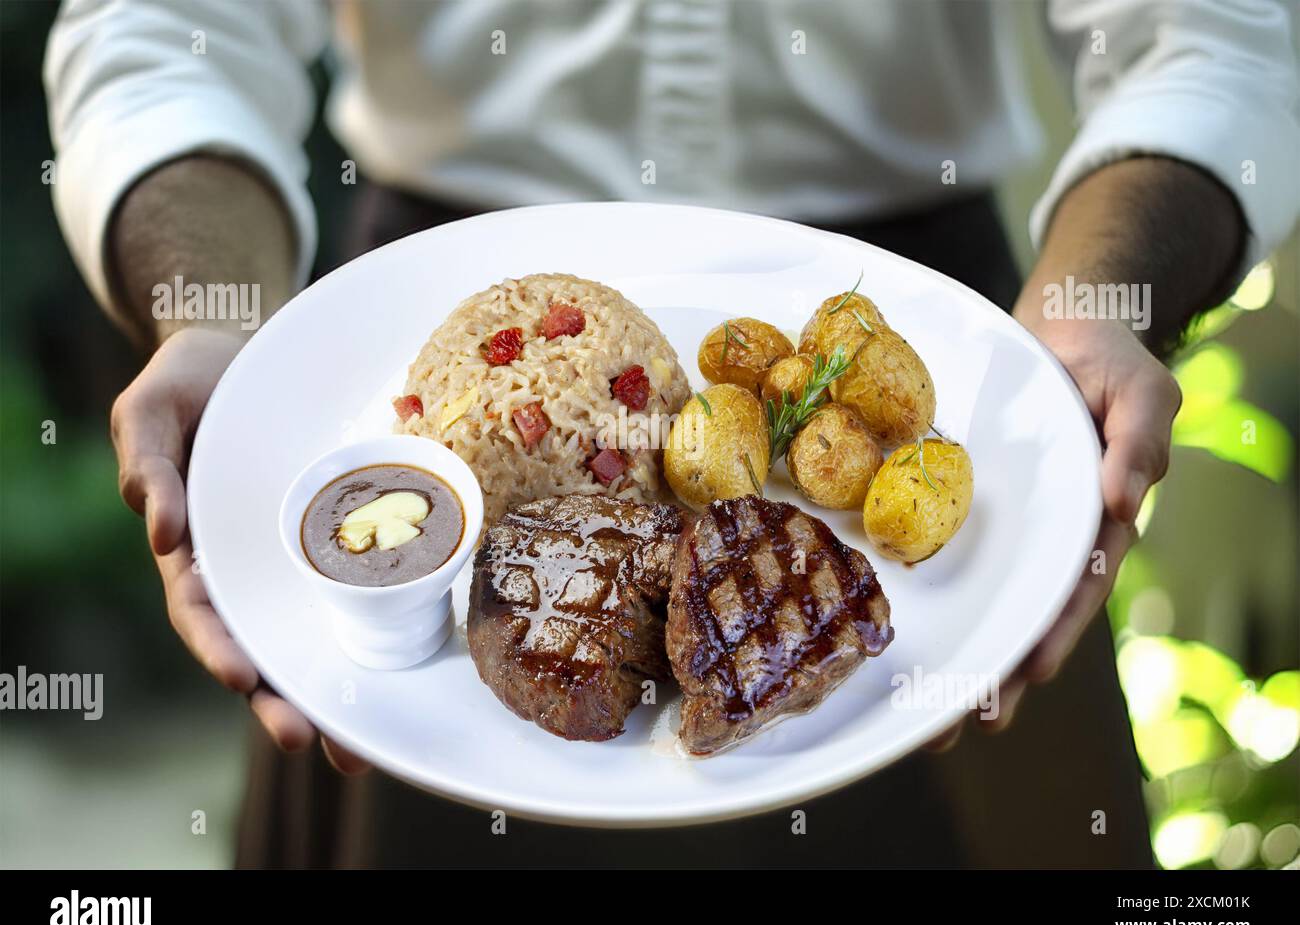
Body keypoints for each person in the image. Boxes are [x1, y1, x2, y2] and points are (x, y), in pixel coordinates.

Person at [44, 0, 1299, 867]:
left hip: (920, 326)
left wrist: (1090, 307)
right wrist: (219, 323)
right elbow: (158, 34)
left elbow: (1214, 39)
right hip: (427, 305)